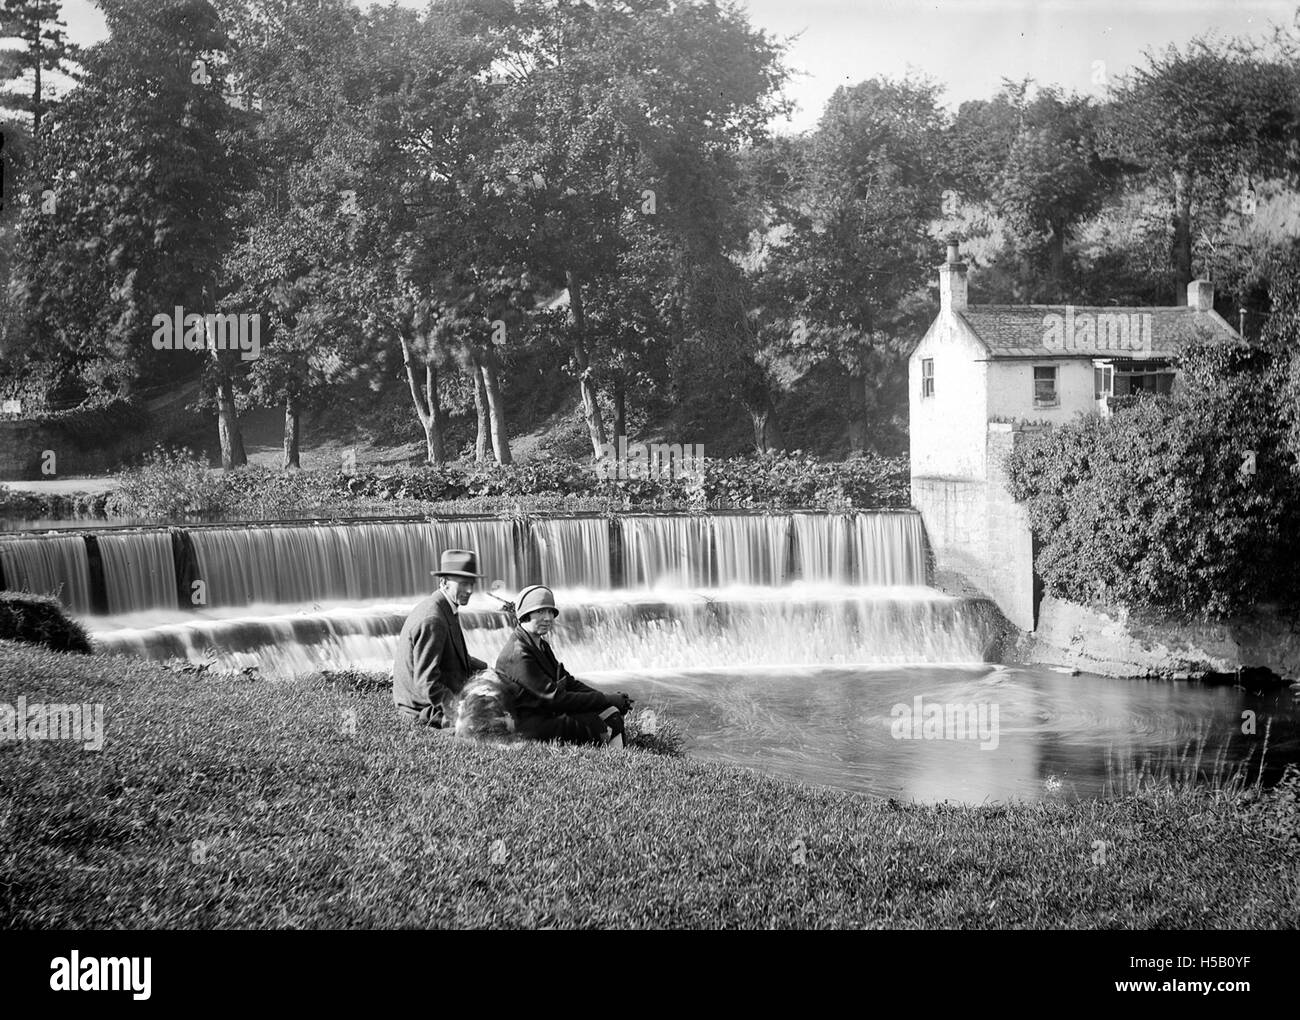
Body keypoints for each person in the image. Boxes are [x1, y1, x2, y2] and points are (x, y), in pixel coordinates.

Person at [493, 584, 633, 747]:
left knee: (610, 712)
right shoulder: (518, 654)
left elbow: (567, 681)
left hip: (545, 712)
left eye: (550, 612)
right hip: (528, 724)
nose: (547, 618)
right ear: (525, 614)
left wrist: (607, 698)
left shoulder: (540, 645)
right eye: (540, 611)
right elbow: (556, 699)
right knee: (608, 720)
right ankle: (616, 761)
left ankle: (617, 755)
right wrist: (605, 699)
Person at [393, 549, 489, 727]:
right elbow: (426, 682)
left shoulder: (444, 607)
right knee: (495, 725)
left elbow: (450, 655)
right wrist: (459, 711)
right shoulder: (433, 619)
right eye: (462, 583)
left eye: (471, 584)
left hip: (429, 703)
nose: (469, 590)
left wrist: (487, 670)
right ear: (444, 582)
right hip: (422, 711)